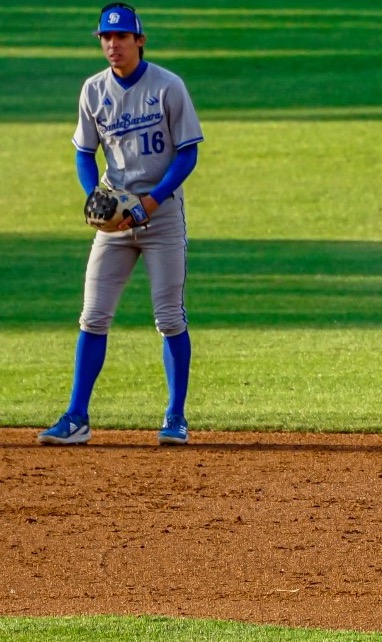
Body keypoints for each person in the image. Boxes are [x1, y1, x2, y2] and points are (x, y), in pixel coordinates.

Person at [38, 3, 203, 446]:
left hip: (162, 217)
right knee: (92, 315)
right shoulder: (93, 90)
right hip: (114, 224)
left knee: (169, 317)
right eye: (106, 39)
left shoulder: (168, 87)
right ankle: (76, 417)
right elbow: (83, 152)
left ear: (139, 40)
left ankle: (175, 417)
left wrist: (150, 202)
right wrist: (96, 196)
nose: (113, 45)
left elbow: (187, 153)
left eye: (122, 38)